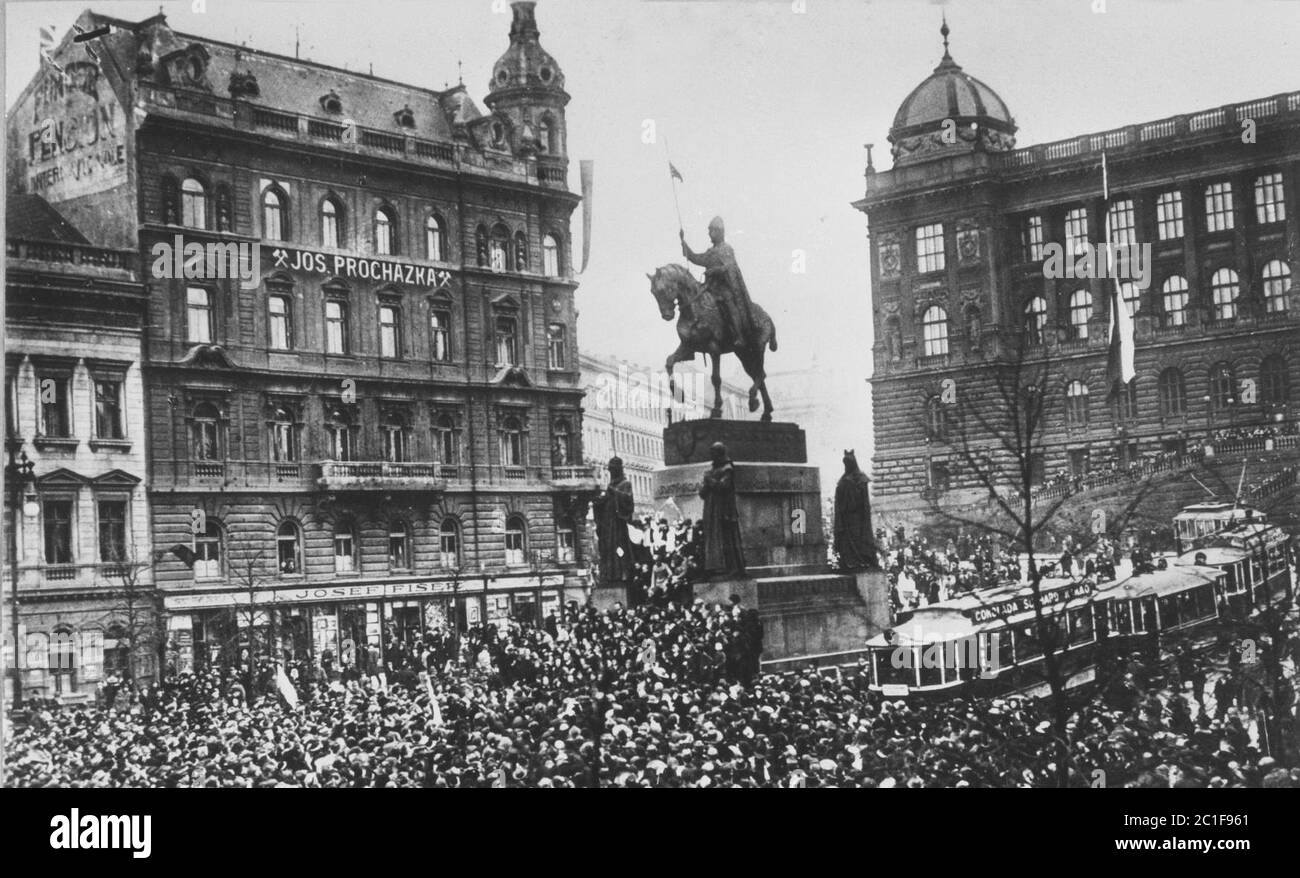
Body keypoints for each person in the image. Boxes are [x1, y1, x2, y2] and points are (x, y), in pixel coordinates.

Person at [680, 216, 757, 350]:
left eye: (712, 231)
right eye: (709, 231)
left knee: (729, 304)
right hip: (710, 288)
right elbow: (696, 258)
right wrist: (683, 242)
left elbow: (729, 267)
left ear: (720, 232)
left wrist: (715, 271)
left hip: (724, 288)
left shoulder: (726, 249)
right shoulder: (711, 252)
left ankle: (739, 336)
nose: (710, 234)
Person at [699, 442, 745, 576]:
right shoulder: (712, 470)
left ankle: (731, 567)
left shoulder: (727, 468)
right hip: (711, 510)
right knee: (713, 538)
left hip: (723, 509)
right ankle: (715, 566)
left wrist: (709, 480)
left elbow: (724, 486)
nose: (711, 456)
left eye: (713, 453)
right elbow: (702, 493)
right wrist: (706, 483)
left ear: (719, 453)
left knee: (726, 538)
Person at [834, 449, 879, 570]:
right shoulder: (843, 481)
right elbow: (839, 501)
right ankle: (851, 561)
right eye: (845, 463)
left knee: (859, 539)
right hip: (847, 517)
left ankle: (862, 559)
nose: (847, 465)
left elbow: (864, 501)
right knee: (848, 541)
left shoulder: (861, 479)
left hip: (859, 518)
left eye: (849, 462)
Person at [593, 457, 635, 585]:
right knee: (607, 549)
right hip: (607, 524)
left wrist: (614, 493)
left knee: (619, 549)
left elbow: (628, 501)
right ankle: (608, 574)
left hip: (617, 524)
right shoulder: (611, 485)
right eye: (610, 470)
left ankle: (621, 574)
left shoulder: (625, 484)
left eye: (613, 470)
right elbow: (604, 502)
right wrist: (598, 501)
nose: (611, 473)